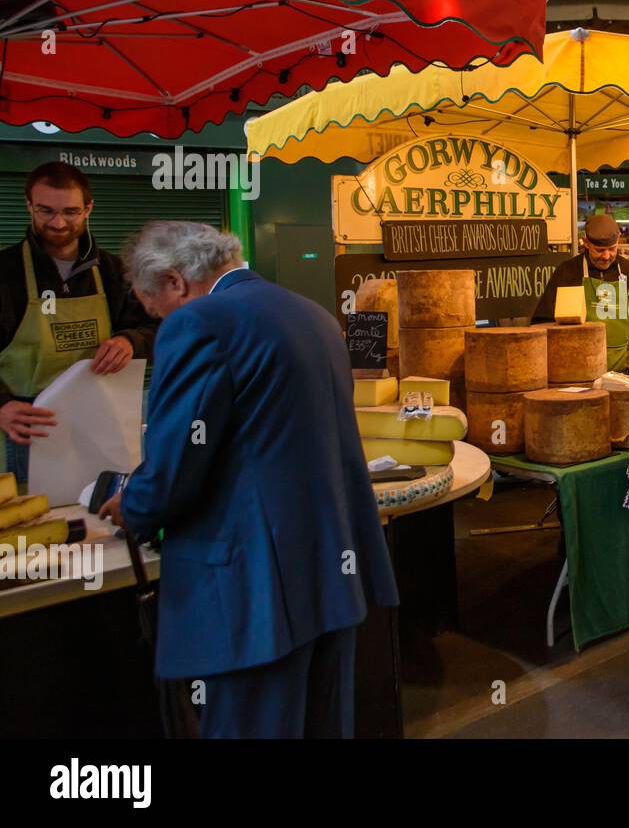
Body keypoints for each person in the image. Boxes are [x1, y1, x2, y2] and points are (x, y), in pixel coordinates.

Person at [98, 222, 398, 738]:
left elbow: (174, 467)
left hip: (255, 595)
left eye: (156, 309)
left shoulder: (199, 324)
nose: (161, 320)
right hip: (333, 576)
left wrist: (132, 503)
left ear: (175, 282)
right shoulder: (316, 315)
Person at [0, 162, 157, 483]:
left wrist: (131, 340)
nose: (58, 223)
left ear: (88, 208)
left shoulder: (116, 272)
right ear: (29, 205)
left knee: (105, 513)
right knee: (35, 523)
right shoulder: (5, 273)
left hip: (102, 423)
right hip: (28, 426)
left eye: (70, 212)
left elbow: (159, 330)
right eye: (45, 211)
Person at [532, 213, 629, 371]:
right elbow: (542, 324)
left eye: (612, 249)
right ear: (586, 243)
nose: (606, 256)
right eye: (599, 250)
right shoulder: (567, 273)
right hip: (576, 372)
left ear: (618, 239)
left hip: (621, 372)